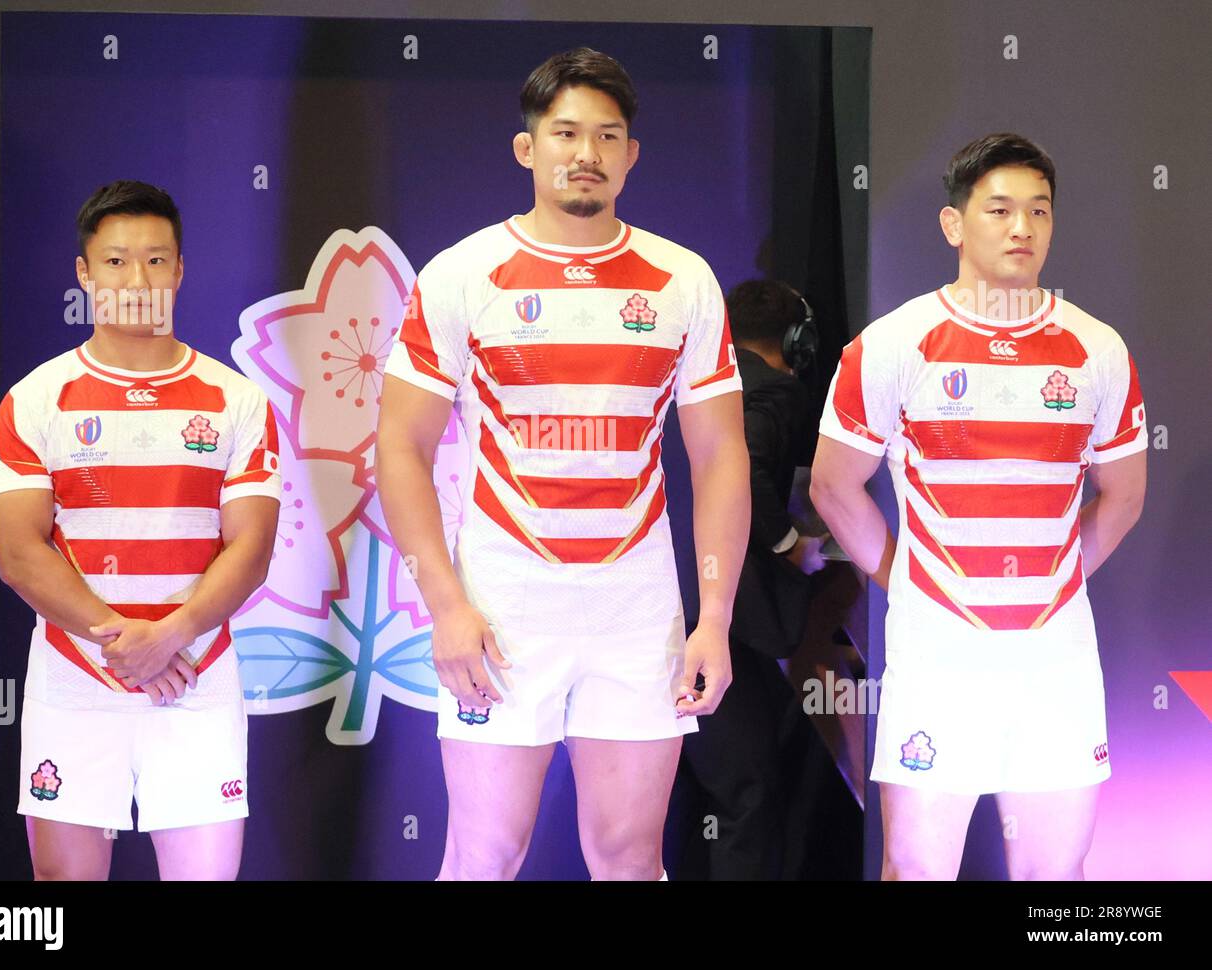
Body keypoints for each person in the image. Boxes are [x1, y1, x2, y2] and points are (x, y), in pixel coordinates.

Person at [376, 48, 750, 881]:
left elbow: (721, 454)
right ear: (529, 148)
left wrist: (714, 616)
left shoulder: (682, 280)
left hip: (636, 602)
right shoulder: (462, 274)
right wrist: (446, 605)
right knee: (484, 855)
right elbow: (399, 446)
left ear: (630, 155)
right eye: (566, 132)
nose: (586, 152)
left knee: (627, 856)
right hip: (504, 602)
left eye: (607, 136)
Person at [811, 133, 1147, 880]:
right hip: (938, 660)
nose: (1022, 227)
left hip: (1054, 659)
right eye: (999, 210)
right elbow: (833, 487)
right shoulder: (892, 346)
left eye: (1039, 211)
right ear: (954, 224)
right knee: (917, 872)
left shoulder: (1098, 350)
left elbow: (1122, 497)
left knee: (1055, 884)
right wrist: (913, 583)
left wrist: (1052, 580)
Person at [0, 180, 281, 880]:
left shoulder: (237, 399)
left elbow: (252, 548)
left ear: (179, 270)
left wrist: (170, 637)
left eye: (155, 260)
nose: (136, 278)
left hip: (196, 677)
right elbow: (19, 553)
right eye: (115, 262)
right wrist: (121, 643)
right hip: (75, 677)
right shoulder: (34, 399)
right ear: (85, 273)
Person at [678, 278, 827, 879]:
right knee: (748, 794)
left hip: (652, 608)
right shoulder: (768, 393)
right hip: (718, 624)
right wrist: (793, 546)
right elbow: (750, 476)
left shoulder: (687, 382)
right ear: (797, 341)